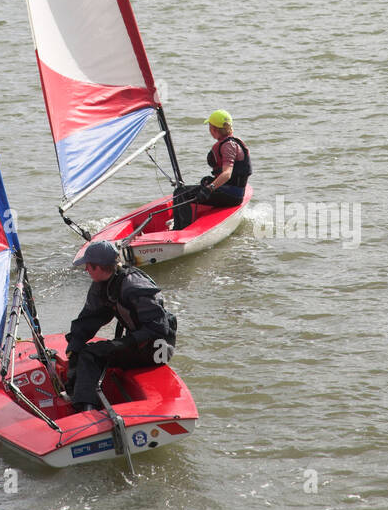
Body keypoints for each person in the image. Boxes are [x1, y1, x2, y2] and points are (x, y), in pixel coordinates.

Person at [64, 241, 177, 412]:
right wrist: (74, 345)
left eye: (88, 266)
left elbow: (158, 328)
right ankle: (76, 393)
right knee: (80, 350)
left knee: (91, 354)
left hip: (156, 348)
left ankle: (86, 409)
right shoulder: (103, 286)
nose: (86, 270)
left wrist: (123, 344)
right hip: (139, 342)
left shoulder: (134, 287)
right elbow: (89, 319)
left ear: (99, 267)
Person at [197, 109, 251, 208]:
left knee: (181, 193)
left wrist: (210, 188)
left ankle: (182, 224)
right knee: (198, 188)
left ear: (214, 129)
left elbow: (227, 174)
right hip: (231, 191)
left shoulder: (228, 146)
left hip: (231, 194)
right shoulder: (231, 143)